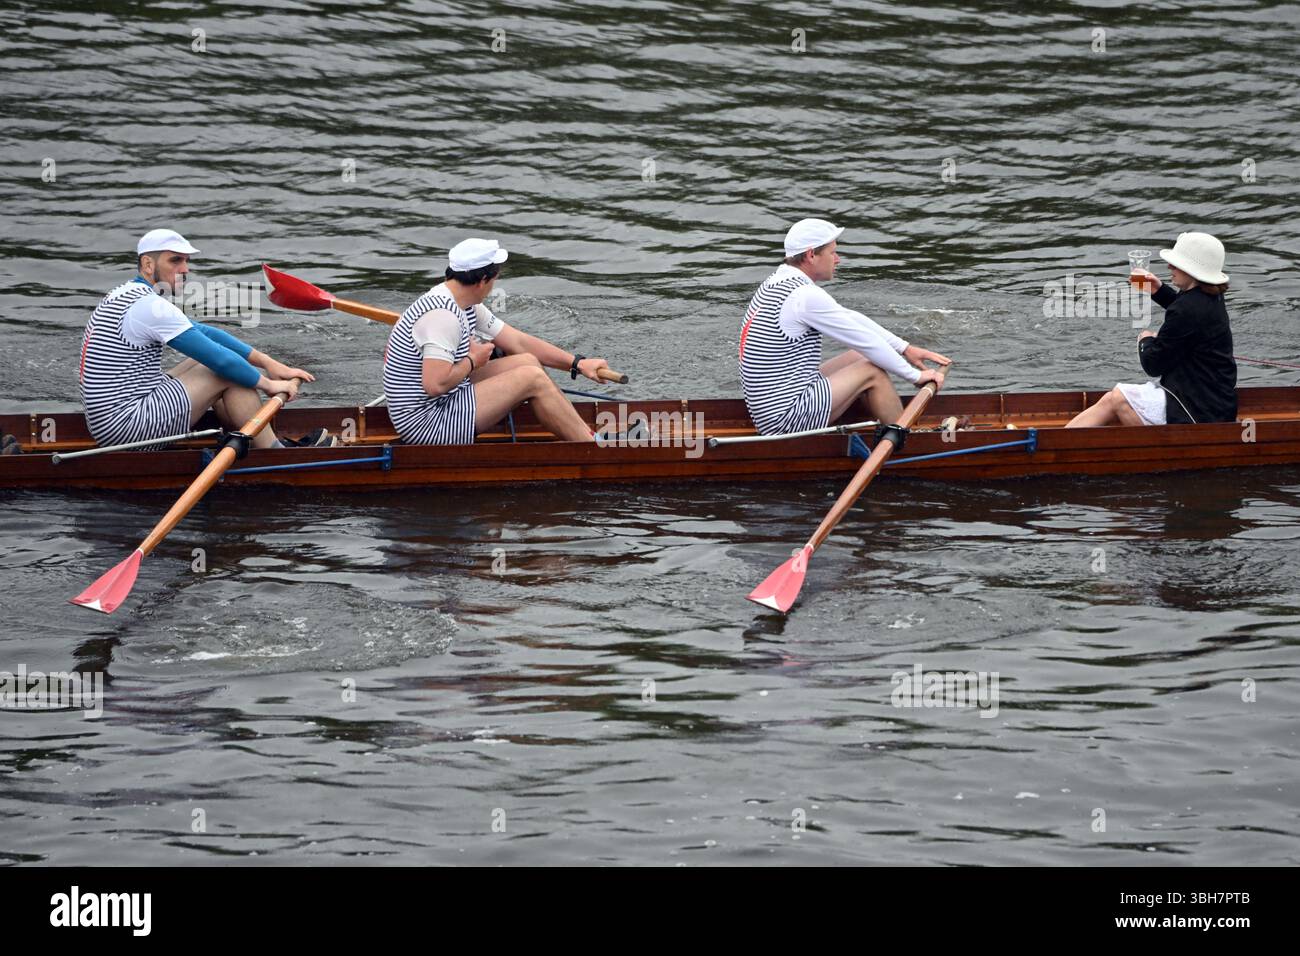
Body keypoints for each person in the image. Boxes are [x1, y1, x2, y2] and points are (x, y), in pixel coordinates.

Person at [80, 229, 334, 449]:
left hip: (109, 422)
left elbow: (209, 335)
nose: (185, 269)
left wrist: (268, 363)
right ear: (148, 265)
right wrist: (270, 385)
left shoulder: (128, 294)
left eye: (186, 261)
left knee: (215, 359)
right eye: (175, 260)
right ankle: (273, 452)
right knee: (223, 370)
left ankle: (240, 434)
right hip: (126, 431)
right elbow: (221, 362)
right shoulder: (149, 306)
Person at [382, 237, 613, 444]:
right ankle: (596, 450)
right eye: (495, 279)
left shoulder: (463, 303)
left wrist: (578, 364)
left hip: (445, 399)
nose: (495, 286)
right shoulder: (443, 317)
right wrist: (473, 360)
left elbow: (518, 341)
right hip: (427, 423)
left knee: (527, 362)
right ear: (482, 280)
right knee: (532, 378)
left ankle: (588, 436)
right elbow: (434, 385)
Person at [739, 218, 948, 436]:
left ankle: (880, 422)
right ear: (811, 255)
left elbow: (851, 318)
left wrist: (905, 348)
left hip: (771, 410)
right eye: (832, 253)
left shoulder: (777, 281)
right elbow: (864, 340)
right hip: (784, 421)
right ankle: (909, 442)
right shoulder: (804, 296)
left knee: (858, 356)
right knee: (872, 369)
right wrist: (915, 376)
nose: (837, 260)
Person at [1066, 232, 1236, 427]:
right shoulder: (1209, 295)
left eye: (1176, 263)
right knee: (1110, 398)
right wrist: (1158, 290)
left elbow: (1153, 365)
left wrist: (1145, 340)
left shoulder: (1187, 308)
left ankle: (1160, 450)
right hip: (1215, 402)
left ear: (1192, 270)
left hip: (1195, 410)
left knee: (1118, 398)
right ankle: (1057, 440)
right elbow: (1187, 314)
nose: (1170, 266)